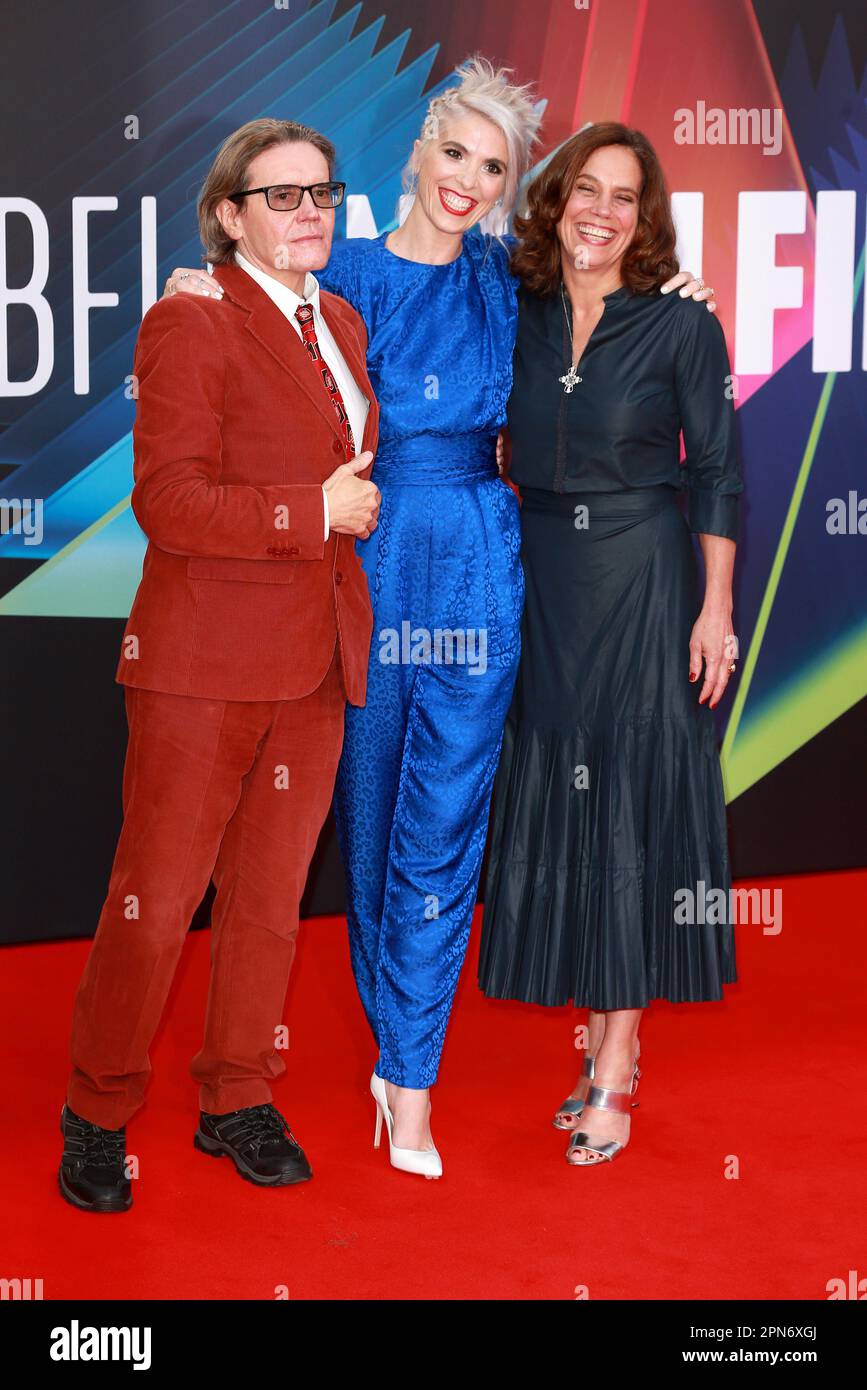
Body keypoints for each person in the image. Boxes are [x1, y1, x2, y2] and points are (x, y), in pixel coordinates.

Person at [164, 63, 715, 1180]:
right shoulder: (343, 271)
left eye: (495, 166)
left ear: (513, 188)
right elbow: (251, 307)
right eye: (454, 153)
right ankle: (391, 1045)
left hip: (478, 565)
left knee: (444, 828)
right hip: (361, 565)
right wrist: (198, 288)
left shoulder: (512, 285)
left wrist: (678, 301)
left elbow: (609, 314)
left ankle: (410, 1083)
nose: (468, 179)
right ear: (418, 151)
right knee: (365, 831)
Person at [59, 118, 380, 1212]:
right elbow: (170, 503)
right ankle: (98, 1112)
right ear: (230, 216)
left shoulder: (337, 318)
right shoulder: (188, 322)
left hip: (317, 663)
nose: (308, 212)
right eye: (280, 195)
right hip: (202, 665)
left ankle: (236, 1095)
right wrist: (315, 510)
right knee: (154, 902)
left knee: (269, 904)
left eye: (321, 192)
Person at [478, 122, 742, 1166]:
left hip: (641, 571)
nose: (600, 210)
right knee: (565, 793)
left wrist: (714, 606)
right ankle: (596, 1028)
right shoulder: (518, 301)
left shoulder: (682, 327)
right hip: (541, 576)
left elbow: (717, 470)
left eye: (624, 197)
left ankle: (617, 1060)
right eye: (585, 189)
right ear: (557, 200)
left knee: (627, 798)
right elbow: (405, 261)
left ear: (646, 218)